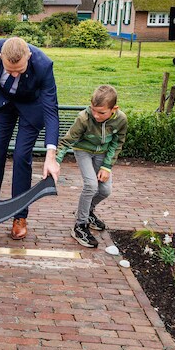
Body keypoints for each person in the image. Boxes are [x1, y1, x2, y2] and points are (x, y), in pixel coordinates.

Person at [0, 37, 60, 240]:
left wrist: (51, 155)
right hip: (2, 104)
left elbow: (51, 110)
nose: (14, 74)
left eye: (19, 70)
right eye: (9, 70)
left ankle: (19, 216)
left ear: (28, 56)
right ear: (0, 57)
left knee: (22, 156)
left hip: (31, 107)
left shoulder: (43, 65)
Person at [54, 85, 128, 248]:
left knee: (105, 190)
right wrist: (56, 161)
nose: (96, 115)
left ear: (114, 109)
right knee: (91, 186)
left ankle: (87, 212)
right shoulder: (84, 118)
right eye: (93, 110)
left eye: (101, 112)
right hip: (83, 151)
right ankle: (80, 226)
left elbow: (117, 143)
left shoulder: (121, 119)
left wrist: (107, 166)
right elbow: (66, 141)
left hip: (103, 153)